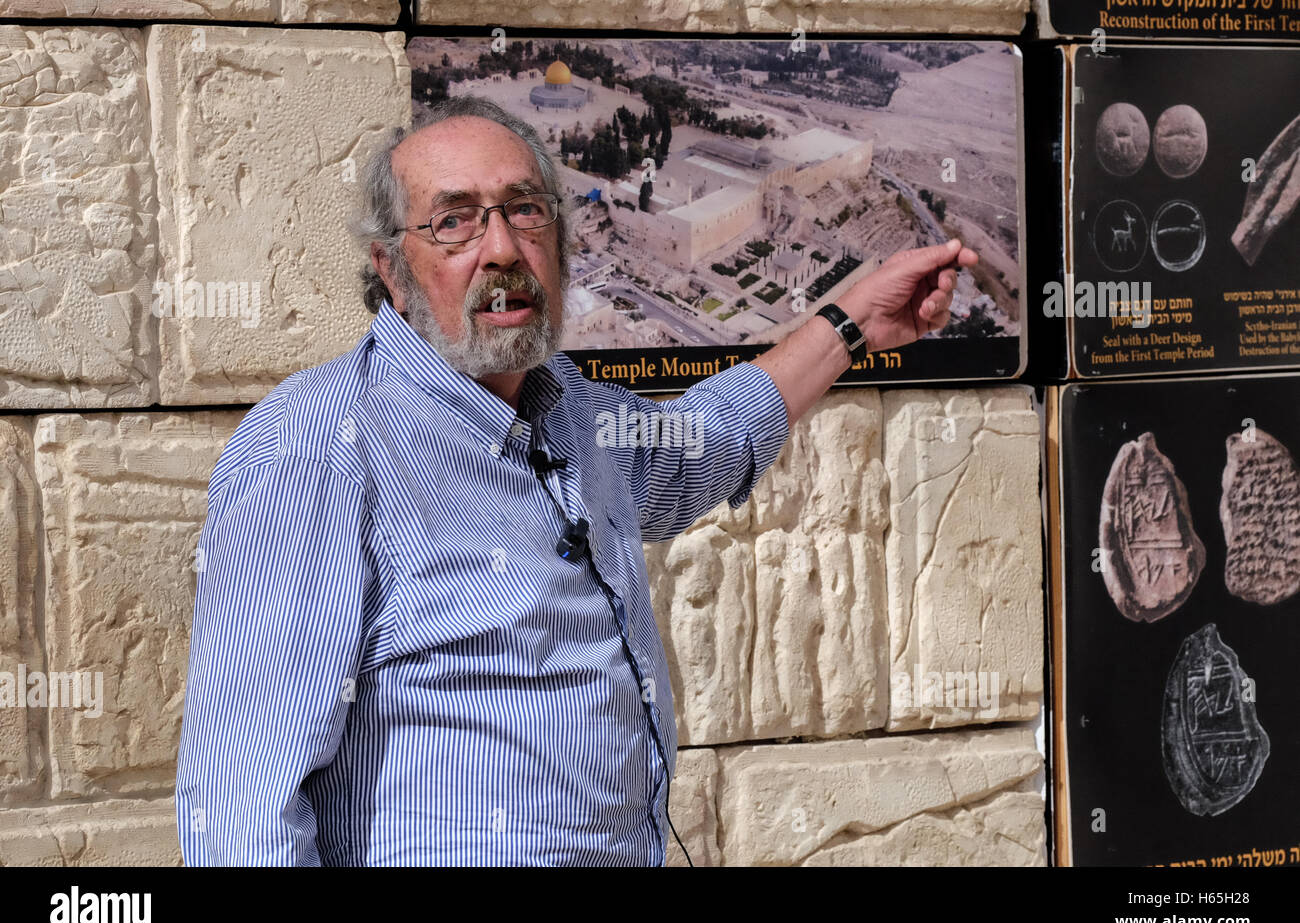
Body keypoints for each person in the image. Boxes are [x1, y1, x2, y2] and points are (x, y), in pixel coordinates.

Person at [175, 95, 976, 866]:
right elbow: (242, 813)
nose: (500, 250)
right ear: (391, 267)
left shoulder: (574, 418)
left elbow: (708, 442)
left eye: (525, 210)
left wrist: (852, 325)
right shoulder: (317, 447)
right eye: (454, 221)